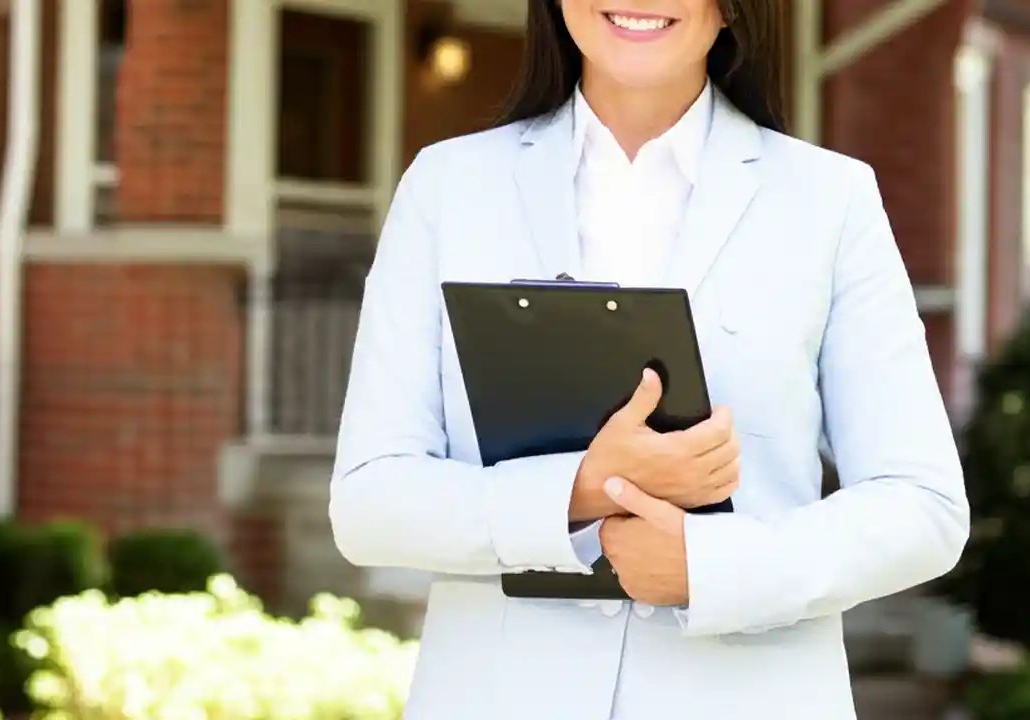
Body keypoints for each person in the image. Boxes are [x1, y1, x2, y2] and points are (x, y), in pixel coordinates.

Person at [329, 0, 970, 717]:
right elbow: (368, 502)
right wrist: (582, 487)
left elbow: (924, 507)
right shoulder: (447, 189)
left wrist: (714, 567)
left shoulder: (829, 202)